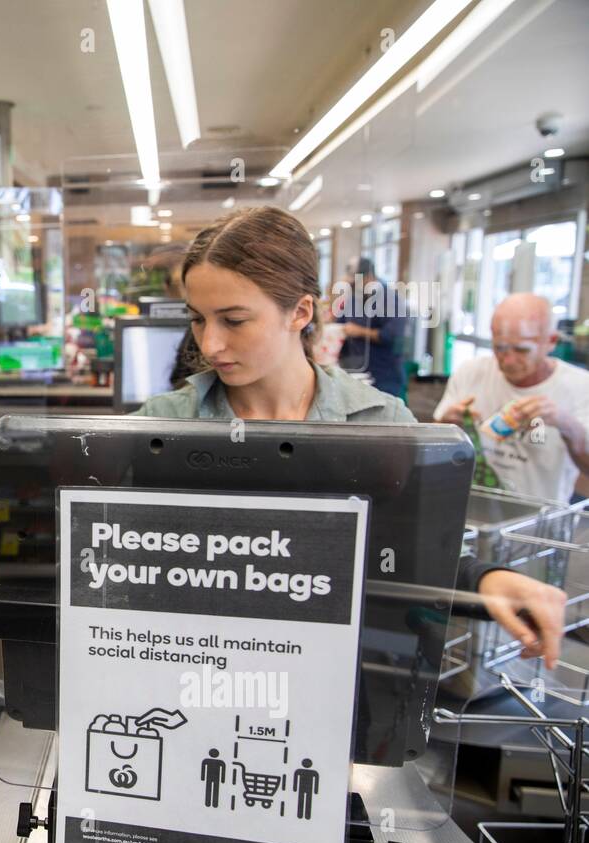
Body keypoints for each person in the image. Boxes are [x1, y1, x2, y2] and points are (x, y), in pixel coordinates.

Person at [134, 206, 564, 667]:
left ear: (299, 311)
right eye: (197, 319)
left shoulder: (380, 424)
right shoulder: (164, 427)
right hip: (197, 668)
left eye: (234, 321)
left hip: (339, 679)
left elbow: (415, 550)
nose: (209, 344)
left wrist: (484, 579)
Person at [434, 293, 589, 504]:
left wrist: (566, 424)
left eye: (521, 350)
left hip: (537, 521)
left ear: (551, 341)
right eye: (500, 347)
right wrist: (445, 426)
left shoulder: (579, 387)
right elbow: (432, 447)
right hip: (470, 510)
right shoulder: (471, 372)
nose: (508, 360)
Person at [336, 255, 410, 398]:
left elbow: (392, 335)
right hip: (357, 373)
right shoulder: (354, 298)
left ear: (369, 277)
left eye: (355, 283)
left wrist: (359, 332)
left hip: (384, 376)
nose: (352, 287)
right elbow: (341, 323)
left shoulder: (390, 299)